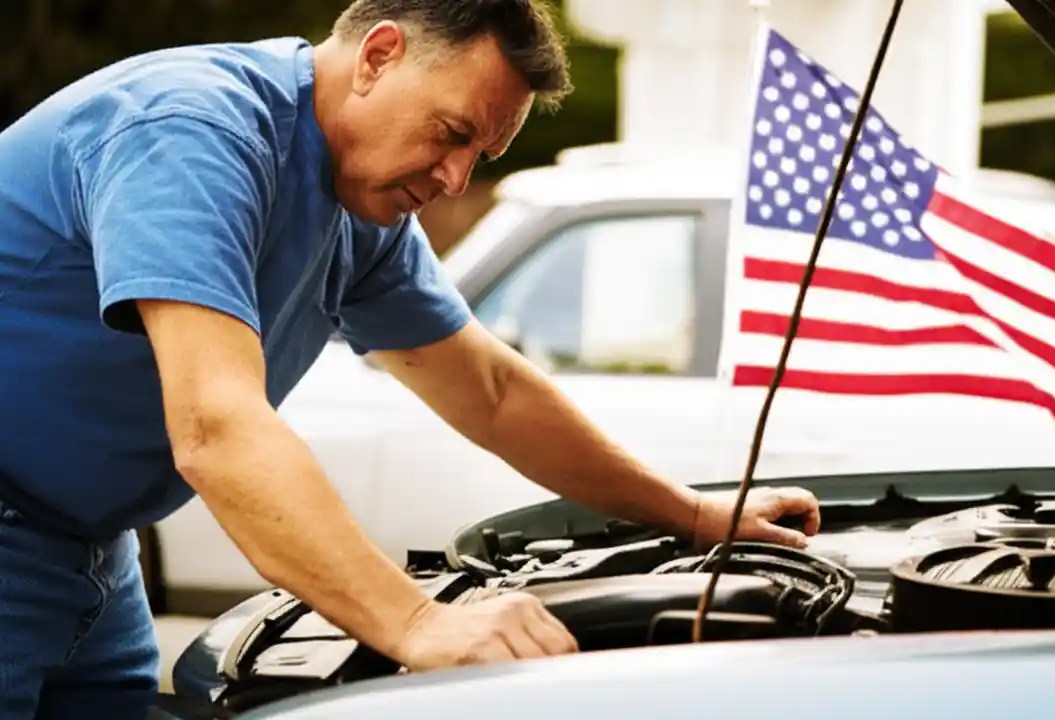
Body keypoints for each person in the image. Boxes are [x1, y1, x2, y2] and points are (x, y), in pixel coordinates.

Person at [0, 0, 822, 717]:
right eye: (453, 133)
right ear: (379, 56)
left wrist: (691, 514)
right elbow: (217, 425)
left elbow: (491, 391)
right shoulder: (193, 133)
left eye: (481, 157)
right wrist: (417, 622)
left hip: (93, 554)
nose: (457, 178)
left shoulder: (364, 207)